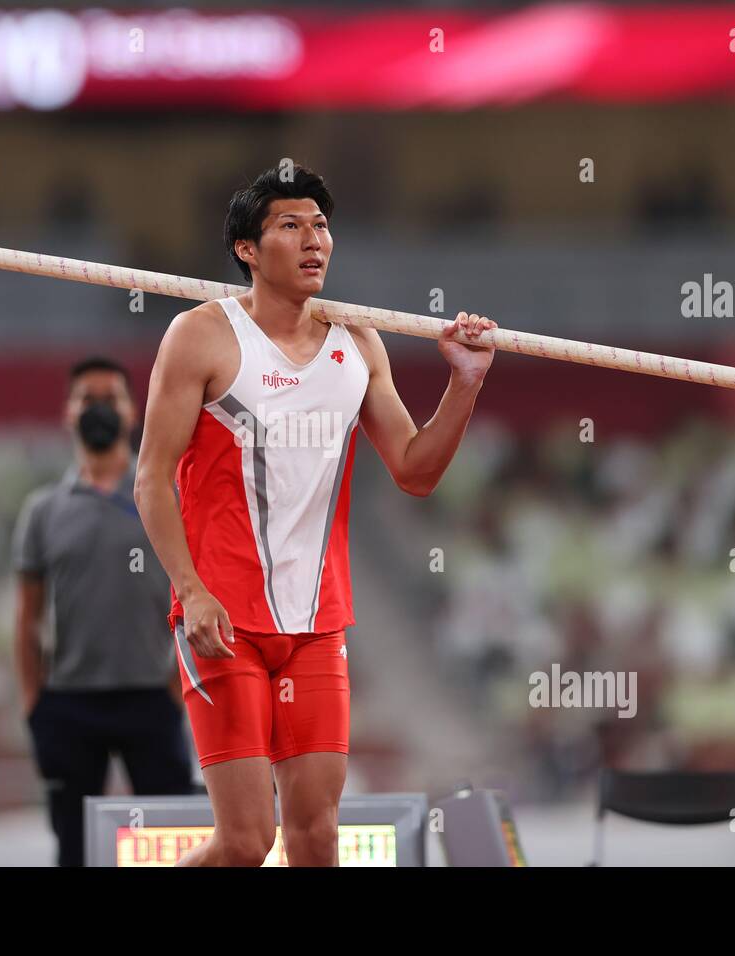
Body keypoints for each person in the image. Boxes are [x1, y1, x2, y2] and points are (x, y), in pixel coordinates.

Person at [134, 165, 497, 866]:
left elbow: (416, 471)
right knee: (245, 841)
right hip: (224, 622)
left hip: (317, 625)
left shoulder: (358, 343)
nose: (314, 241)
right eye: (291, 226)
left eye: (322, 226)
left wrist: (464, 384)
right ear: (246, 247)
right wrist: (191, 591)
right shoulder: (201, 337)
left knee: (316, 838)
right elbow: (150, 479)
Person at [14, 357, 192, 867]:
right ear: (68, 412)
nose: (97, 409)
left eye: (109, 398)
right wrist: (35, 703)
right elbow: (26, 618)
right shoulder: (44, 512)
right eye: (85, 399)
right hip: (70, 704)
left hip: (152, 698)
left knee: (171, 839)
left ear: (133, 411)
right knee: (73, 846)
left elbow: (195, 592)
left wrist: (178, 688)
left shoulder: (165, 498)